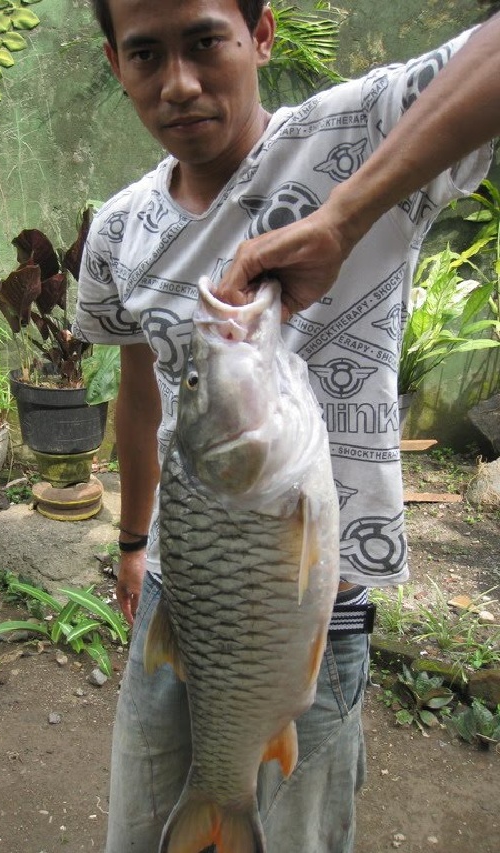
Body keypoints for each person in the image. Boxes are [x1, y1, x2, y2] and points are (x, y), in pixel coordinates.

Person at [73, 2, 500, 850]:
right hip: (179, 594)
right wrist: (131, 539)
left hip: (309, 616)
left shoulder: (361, 130)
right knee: (142, 831)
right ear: (116, 63)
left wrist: (345, 216)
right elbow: (142, 390)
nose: (179, 83)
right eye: (146, 54)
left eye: (205, 41)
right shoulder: (119, 227)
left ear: (261, 34)